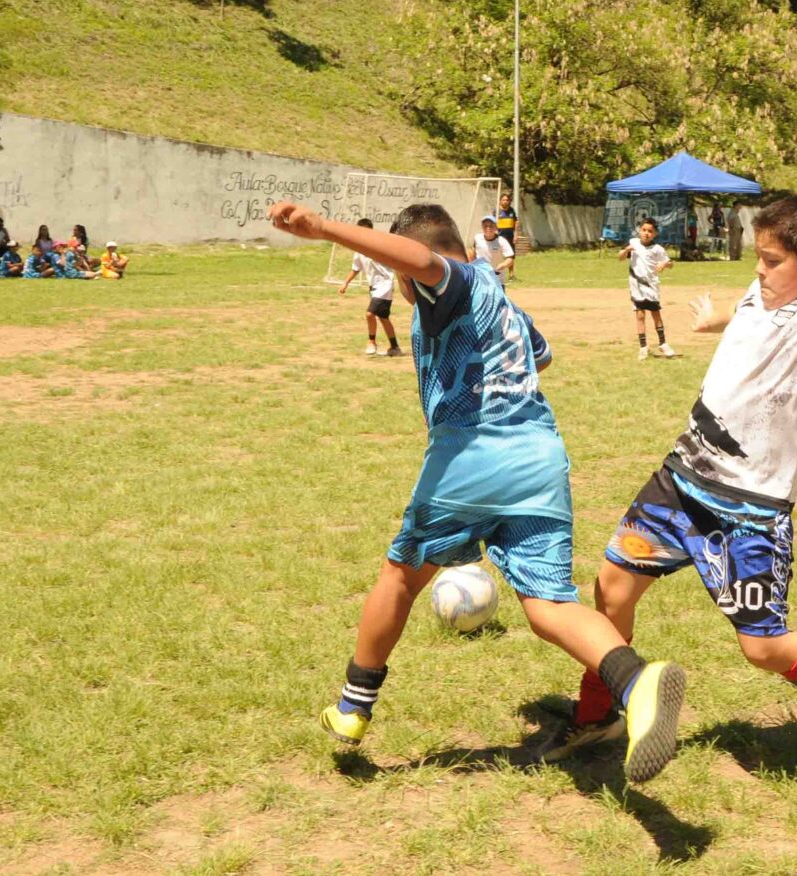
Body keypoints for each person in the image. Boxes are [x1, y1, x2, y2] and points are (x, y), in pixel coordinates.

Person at [265, 199, 687, 786]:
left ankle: (352, 709)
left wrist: (323, 230)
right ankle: (637, 683)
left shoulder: (452, 280)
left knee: (399, 578)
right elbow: (542, 354)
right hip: (540, 458)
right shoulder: (497, 292)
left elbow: (423, 261)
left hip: (472, 459)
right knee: (550, 606)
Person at [544, 193, 797, 775]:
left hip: (749, 510)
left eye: (772, 261)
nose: (759, 270)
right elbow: (747, 319)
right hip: (681, 481)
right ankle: (598, 714)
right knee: (612, 585)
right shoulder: (761, 292)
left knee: (763, 648)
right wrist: (714, 318)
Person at [338, 219, 402, 357]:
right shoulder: (359, 250)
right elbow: (356, 268)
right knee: (383, 318)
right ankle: (395, 347)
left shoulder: (379, 245)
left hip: (385, 284)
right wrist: (346, 283)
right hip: (374, 287)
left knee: (370, 314)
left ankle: (371, 342)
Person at [621, 217, 675, 360]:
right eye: (644, 230)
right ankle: (643, 347)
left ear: (655, 233)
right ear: (639, 230)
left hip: (651, 285)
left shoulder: (658, 249)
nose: (646, 233)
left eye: (650, 231)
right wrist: (626, 250)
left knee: (656, 313)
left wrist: (664, 265)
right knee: (640, 315)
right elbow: (620, 257)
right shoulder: (633, 243)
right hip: (636, 285)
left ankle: (663, 343)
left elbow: (670, 263)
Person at [472, 215, 515, 285]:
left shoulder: (501, 241)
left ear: (496, 227)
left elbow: (510, 258)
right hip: (481, 277)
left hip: (497, 278)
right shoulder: (477, 238)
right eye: (485, 226)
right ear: (482, 227)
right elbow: (473, 252)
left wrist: (503, 265)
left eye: (491, 226)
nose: (488, 228)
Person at [494, 192, 519, 280]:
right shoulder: (496, 211)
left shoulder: (512, 211)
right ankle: (496, 273)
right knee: (497, 255)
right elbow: (493, 223)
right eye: (503, 200)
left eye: (507, 200)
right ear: (500, 201)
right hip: (499, 237)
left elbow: (516, 222)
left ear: (509, 201)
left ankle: (511, 275)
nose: (505, 201)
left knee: (511, 256)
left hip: (510, 237)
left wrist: (516, 235)